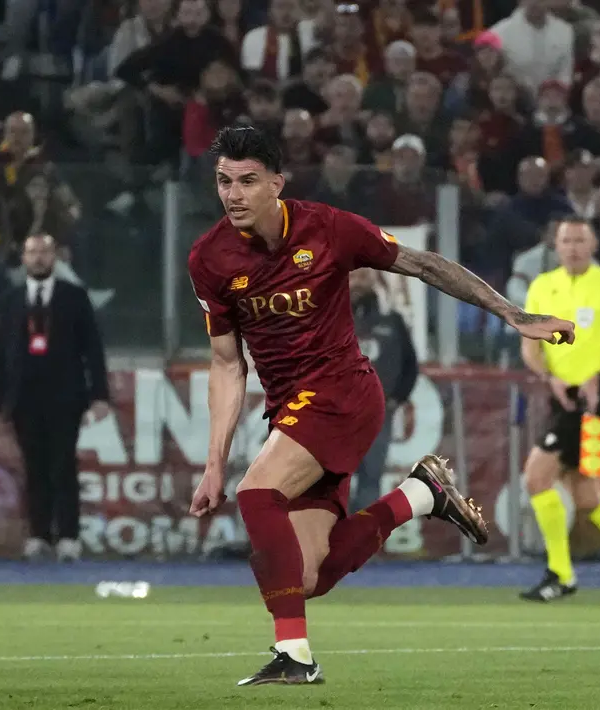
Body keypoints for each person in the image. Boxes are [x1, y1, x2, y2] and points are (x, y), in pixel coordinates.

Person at [187, 125, 574, 687]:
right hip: (289, 409)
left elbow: (422, 264)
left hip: (342, 391)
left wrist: (510, 312)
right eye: (224, 181)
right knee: (306, 574)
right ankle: (420, 495)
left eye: (248, 181)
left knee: (257, 494)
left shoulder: (329, 228)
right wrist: (213, 462)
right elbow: (227, 365)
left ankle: (294, 655)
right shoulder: (210, 258)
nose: (234, 195)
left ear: (277, 183)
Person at [0, 234, 110, 562]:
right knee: (33, 467)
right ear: (23, 258)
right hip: (24, 398)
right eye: (32, 252)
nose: (38, 258)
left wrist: (99, 395)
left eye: (44, 252)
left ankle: (68, 536)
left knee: (63, 464)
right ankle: (39, 535)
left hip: (65, 396)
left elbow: (92, 350)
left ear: (55, 257)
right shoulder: (10, 300)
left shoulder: (74, 297)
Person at [519, 218, 600, 602]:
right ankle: (561, 575)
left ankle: (561, 574)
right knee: (587, 497)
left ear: (594, 243)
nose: (574, 247)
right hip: (559, 397)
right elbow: (530, 344)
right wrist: (550, 377)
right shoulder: (542, 286)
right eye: (567, 240)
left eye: (580, 240)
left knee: (536, 478)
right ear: (556, 244)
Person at [348, 268, 418, 513]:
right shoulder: (326, 319)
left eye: (363, 277)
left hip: (377, 414)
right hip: (334, 415)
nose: (357, 283)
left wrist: (396, 399)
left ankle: (359, 544)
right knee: (331, 481)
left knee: (371, 477)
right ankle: (327, 542)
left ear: (374, 281)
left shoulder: (391, 320)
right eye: (352, 277)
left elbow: (411, 365)